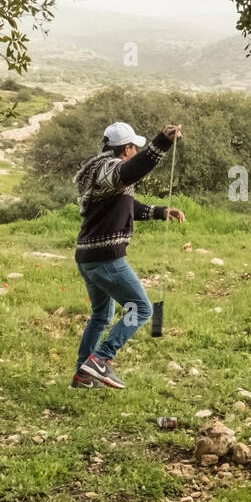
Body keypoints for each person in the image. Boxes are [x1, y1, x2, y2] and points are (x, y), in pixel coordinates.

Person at [71, 121, 185, 389]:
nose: (136, 153)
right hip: (106, 259)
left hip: (88, 258)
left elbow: (127, 204)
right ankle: (101, 360)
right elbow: (133, 170)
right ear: (127, 148)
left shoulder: (101, 172)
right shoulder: (110, 170)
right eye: (135, 148)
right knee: (142, 308)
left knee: (101, 316)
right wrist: (162, 142)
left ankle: (83, 376)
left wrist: (159, 211)